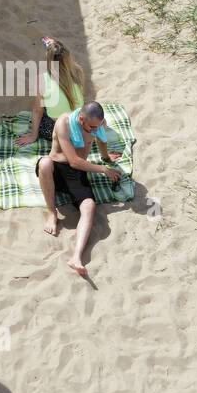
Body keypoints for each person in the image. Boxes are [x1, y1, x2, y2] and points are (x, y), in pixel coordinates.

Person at [37, 101, 123, 277]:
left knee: (90, 206)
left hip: (77, 174)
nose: (94, 130)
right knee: (44, 163)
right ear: (81, 118)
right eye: (91, 127)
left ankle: (76, 257)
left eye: (97, 126)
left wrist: (106, 158)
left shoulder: (96, 125)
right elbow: (74, 160)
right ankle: (52, 213)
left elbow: (101, 140)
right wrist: (104, 170)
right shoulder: (64, 122)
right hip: (57, 168)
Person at [14, 35, 87, 148]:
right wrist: (52, 45)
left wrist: (34, 135)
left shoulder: (41, 79)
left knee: (40, 107)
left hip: (57, 131)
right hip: (79, 128)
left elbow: (37, 110)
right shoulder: (78, 72)